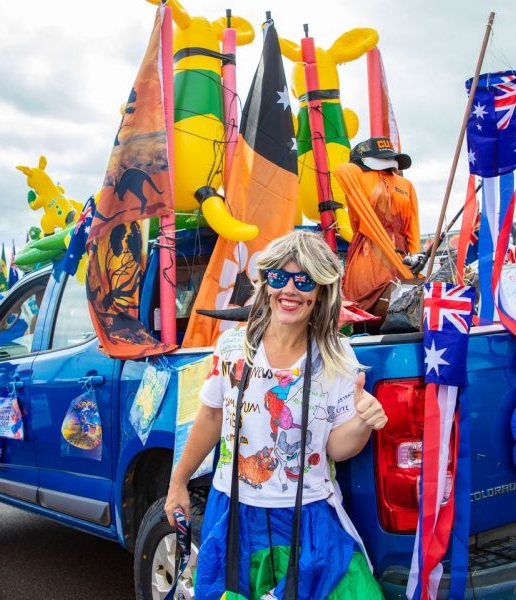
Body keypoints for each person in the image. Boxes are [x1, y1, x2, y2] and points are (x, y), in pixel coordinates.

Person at [166, 230, 387, 599]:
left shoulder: (337, 357)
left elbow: (336, 448)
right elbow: (210, 419)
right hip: (235, 515)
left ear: (320, 292)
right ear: (265, 282)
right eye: (279, 277)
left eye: (304, 281)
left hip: (309, 519)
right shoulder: (233, 347)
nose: (289, 290)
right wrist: (178, 483)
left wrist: (363, 421)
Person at [334, 137, 421, 313]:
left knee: (407, 304)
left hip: (401, 254)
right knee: (364, 303)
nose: (390, 163)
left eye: (391, 158)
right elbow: (341, 170)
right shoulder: (357, 175)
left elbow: (412, 225)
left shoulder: (406, 185)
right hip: (368, 249)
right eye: (383, 158)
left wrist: (416, 254)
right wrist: (364, 163)